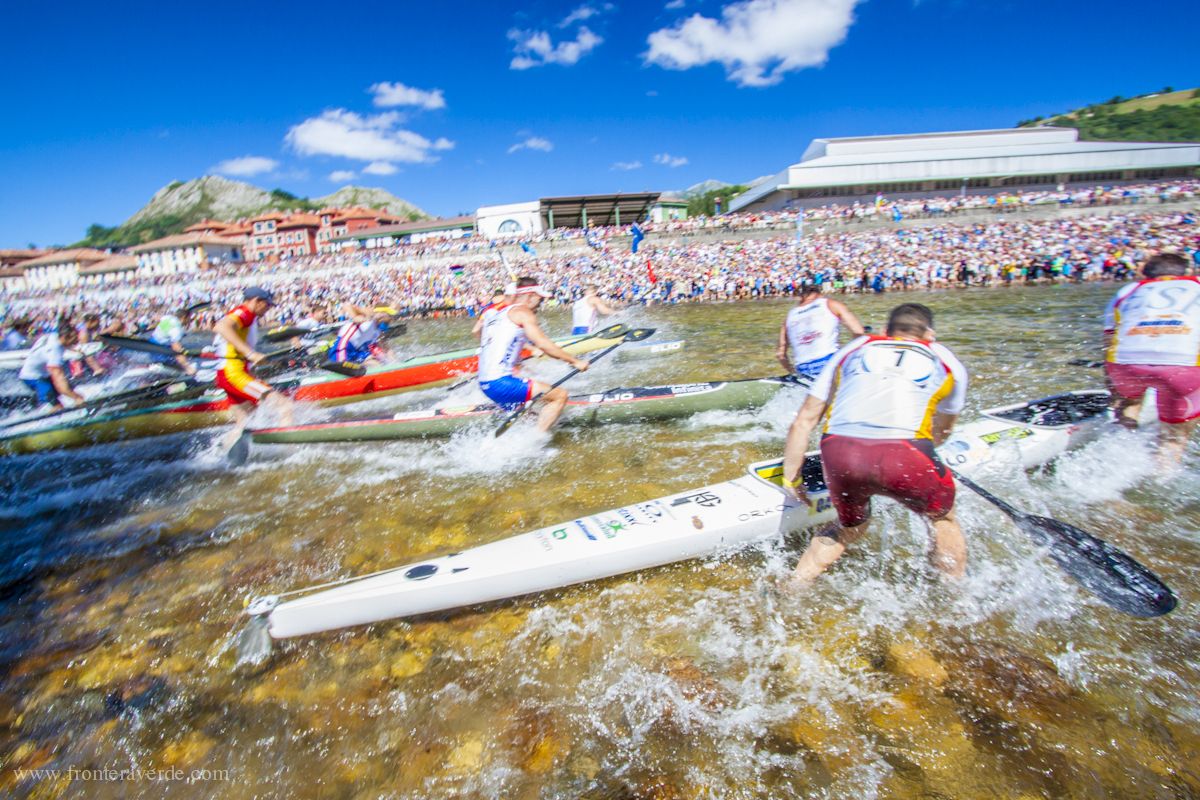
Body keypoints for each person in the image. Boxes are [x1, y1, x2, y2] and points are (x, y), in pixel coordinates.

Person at [779, 303, 969, 585]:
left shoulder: (854, 348)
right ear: (930, 335)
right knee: (942, 519)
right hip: (908, 455)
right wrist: (922, 461)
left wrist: (792, 478)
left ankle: (794, 585)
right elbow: (941, 432)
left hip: (841, 454)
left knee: (849, 527)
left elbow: (803, 422)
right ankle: (951, 595)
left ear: (884, 331)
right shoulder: (945, 359)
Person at [1103, 252, 1200, 467]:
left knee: (1128, 403)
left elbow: (1108, 340)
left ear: (1144, 274)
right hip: (1182, 367)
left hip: (1126, 364)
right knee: (1173, 438)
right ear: (1187, 272)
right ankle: (1161, 473)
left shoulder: (1127, 290)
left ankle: (1117, 457)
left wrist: (1112, 384)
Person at [478, 276, 589, 431]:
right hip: (501, 383)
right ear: (530, 296)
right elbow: (543, 344)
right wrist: (575, 361)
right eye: (540, 299)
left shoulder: (499, 313)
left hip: (484, 384)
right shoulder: (523, 312)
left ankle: (526, 436)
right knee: (559, 396)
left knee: (529, 419)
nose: (540, 304)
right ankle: (538, 439)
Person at [213, 287, 292, 444]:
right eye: (267, 305)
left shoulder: (248, 317)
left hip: (228, 374)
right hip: (234, 375)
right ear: (256, 301)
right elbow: (221, 327)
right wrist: (250, 354)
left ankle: (223, 450)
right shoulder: (245, 313)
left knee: (245, 421)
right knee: (285, 406)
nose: (268, 309)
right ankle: (289, 449)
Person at [776, 283, 866, 380]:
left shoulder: (789, 317)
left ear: (801, 297)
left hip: (803, 368)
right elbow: (858, 332)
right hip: (829, 362)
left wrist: (793, 372)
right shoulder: (830, 304)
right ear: (820, 294)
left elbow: (781, 355)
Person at [18, 322, 86, 407]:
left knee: (70, 390)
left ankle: (41, 402)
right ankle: (48, 408)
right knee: (56, 405)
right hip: (32, 377)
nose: (77, 340)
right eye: (75, 338)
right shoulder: (54, 351)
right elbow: (58, 380)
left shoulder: (54, 336)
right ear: (65, 337)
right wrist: (76, 397)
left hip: (43, 374)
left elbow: (63, 344)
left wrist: (73, 349)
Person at [330, 304, 396, 363]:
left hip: (357, 350)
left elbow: (385, 348)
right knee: (343, 366)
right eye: (389, 315)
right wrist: (355, 317)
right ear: (381, 313)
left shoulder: (378, 330)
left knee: (375, 363)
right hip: (344, 346)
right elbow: (346, 305)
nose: (391, 318)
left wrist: (394, 361)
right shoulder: (368, 318)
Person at [149, 306, 198, 375]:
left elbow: (157, 318)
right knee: (178, 362)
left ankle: (157, 364)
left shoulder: (168, 317)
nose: (189, 321)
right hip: (160, 349)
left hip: (151, 344)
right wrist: (187, 367)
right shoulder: (177, 330)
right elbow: (176, 349)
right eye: (189, 318)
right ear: (184, 317)